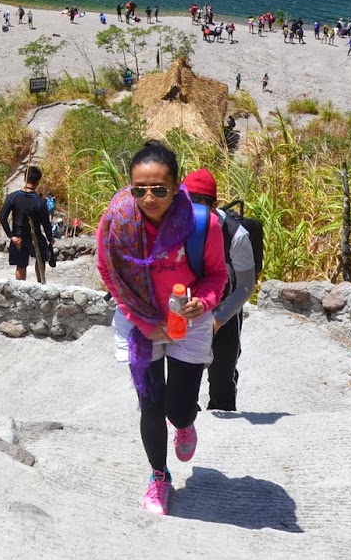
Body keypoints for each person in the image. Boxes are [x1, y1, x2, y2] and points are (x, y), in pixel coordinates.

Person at [96, 141, 226, 516]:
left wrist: (204, 301)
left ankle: (184, 424)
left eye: (159, 190)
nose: (149, 199)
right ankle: (159, 476)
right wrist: (143, 322)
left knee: (179, 408)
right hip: (140, 321)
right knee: (150, 404)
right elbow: (108, 272)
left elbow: (217, 275)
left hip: (189, 319)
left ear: (176, 185)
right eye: (139, 190)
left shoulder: (202, 223)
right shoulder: (117, 221)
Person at [182, 169, 257, 412]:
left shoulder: (236, 236)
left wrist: (219, 319)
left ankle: (224, 421)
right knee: (184, 375)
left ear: (214, 205)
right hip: (188, 308)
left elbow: (245, 286)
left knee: (222, 376)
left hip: (226, 309)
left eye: (200, 205)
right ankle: (187, 418)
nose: (193, 212)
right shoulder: (176, 226)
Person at [0, 165, 52, 282]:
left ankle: (20, 287)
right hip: (35, 237)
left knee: (21, 265)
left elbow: (2, 217)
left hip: (18, 237)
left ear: (24, 178)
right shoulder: (40, 202)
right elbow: (46, 223)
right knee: (40, 260)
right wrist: (50, 238)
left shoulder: (12, 197)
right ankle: (41, 283)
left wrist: (11, 236)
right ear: (38, 182)